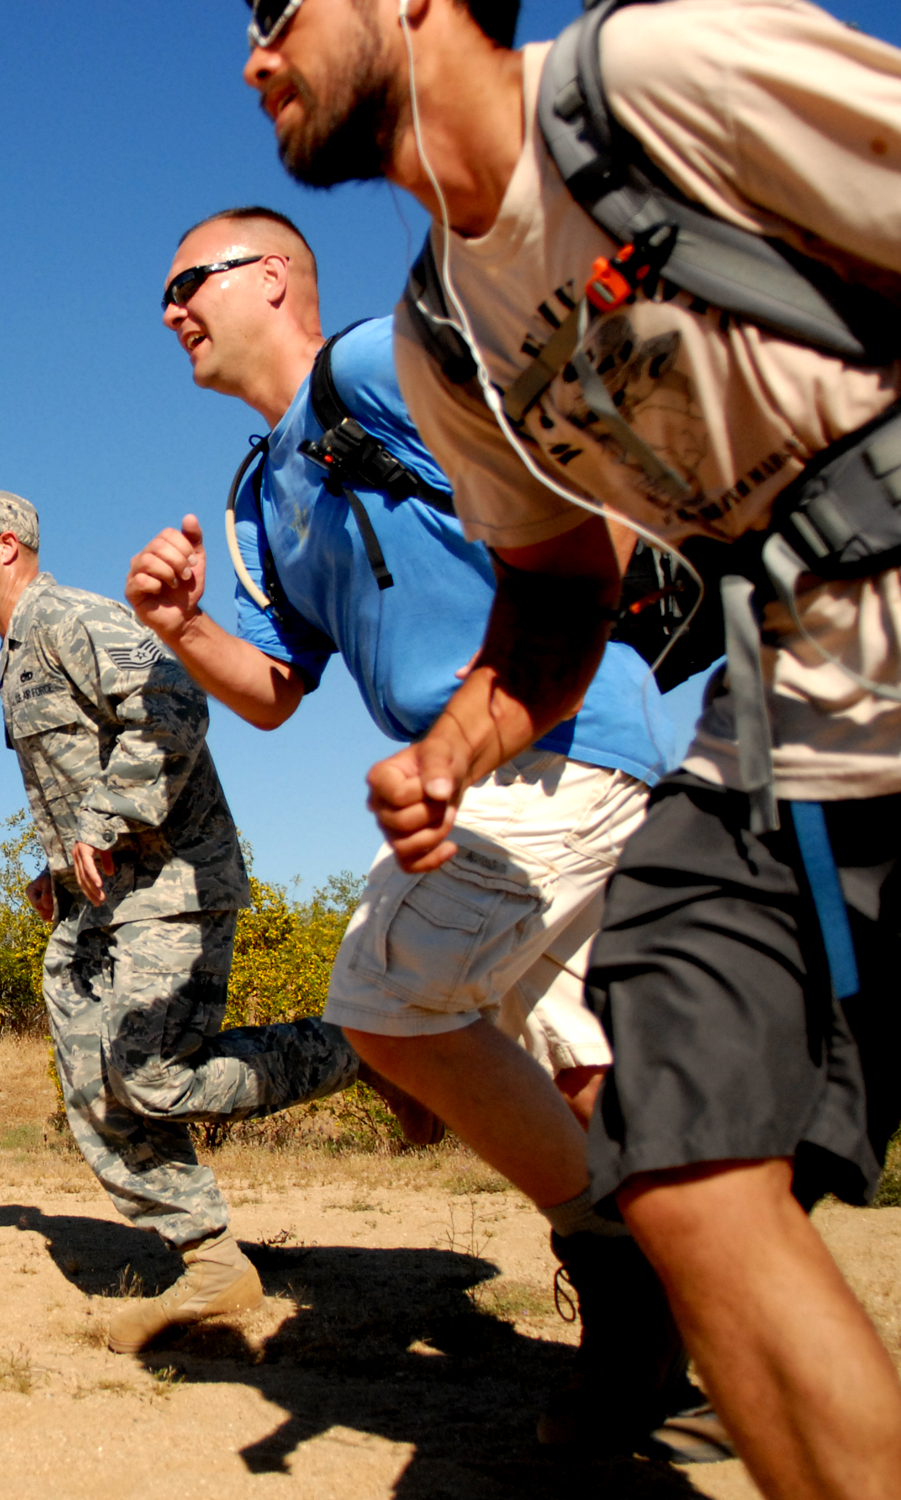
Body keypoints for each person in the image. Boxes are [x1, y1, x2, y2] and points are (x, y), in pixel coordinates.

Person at [237, 0, 901, 1495]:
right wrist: (464, 743)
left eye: (277, 10)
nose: (254, 57)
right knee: (675, 1170)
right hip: (770, 737)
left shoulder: (656, 77)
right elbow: (561, 593)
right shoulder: (443, 329)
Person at [126, 205, 717, 1454]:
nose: (171, 311)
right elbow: (280, 694)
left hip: (551, 737)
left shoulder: (371, 367)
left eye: (189, 280)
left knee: (385, 999)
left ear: (274, 277)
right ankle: (698, 1354)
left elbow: (568, 419)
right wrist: (183, 627)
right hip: (501, 773)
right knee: (585, 1063)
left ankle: (618, 1281)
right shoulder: (258, 492)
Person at [0, 488, 362, 1353]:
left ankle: (365, 1050)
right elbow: (75, 768)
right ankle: (213, 1261)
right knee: (93, 1084)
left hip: (173, 885)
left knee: (152, 1073)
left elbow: (175, 707)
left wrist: (106, 821)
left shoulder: (73, 618)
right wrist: (60, 868)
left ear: (7, 545)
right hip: (100, 905)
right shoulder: (13, 654)